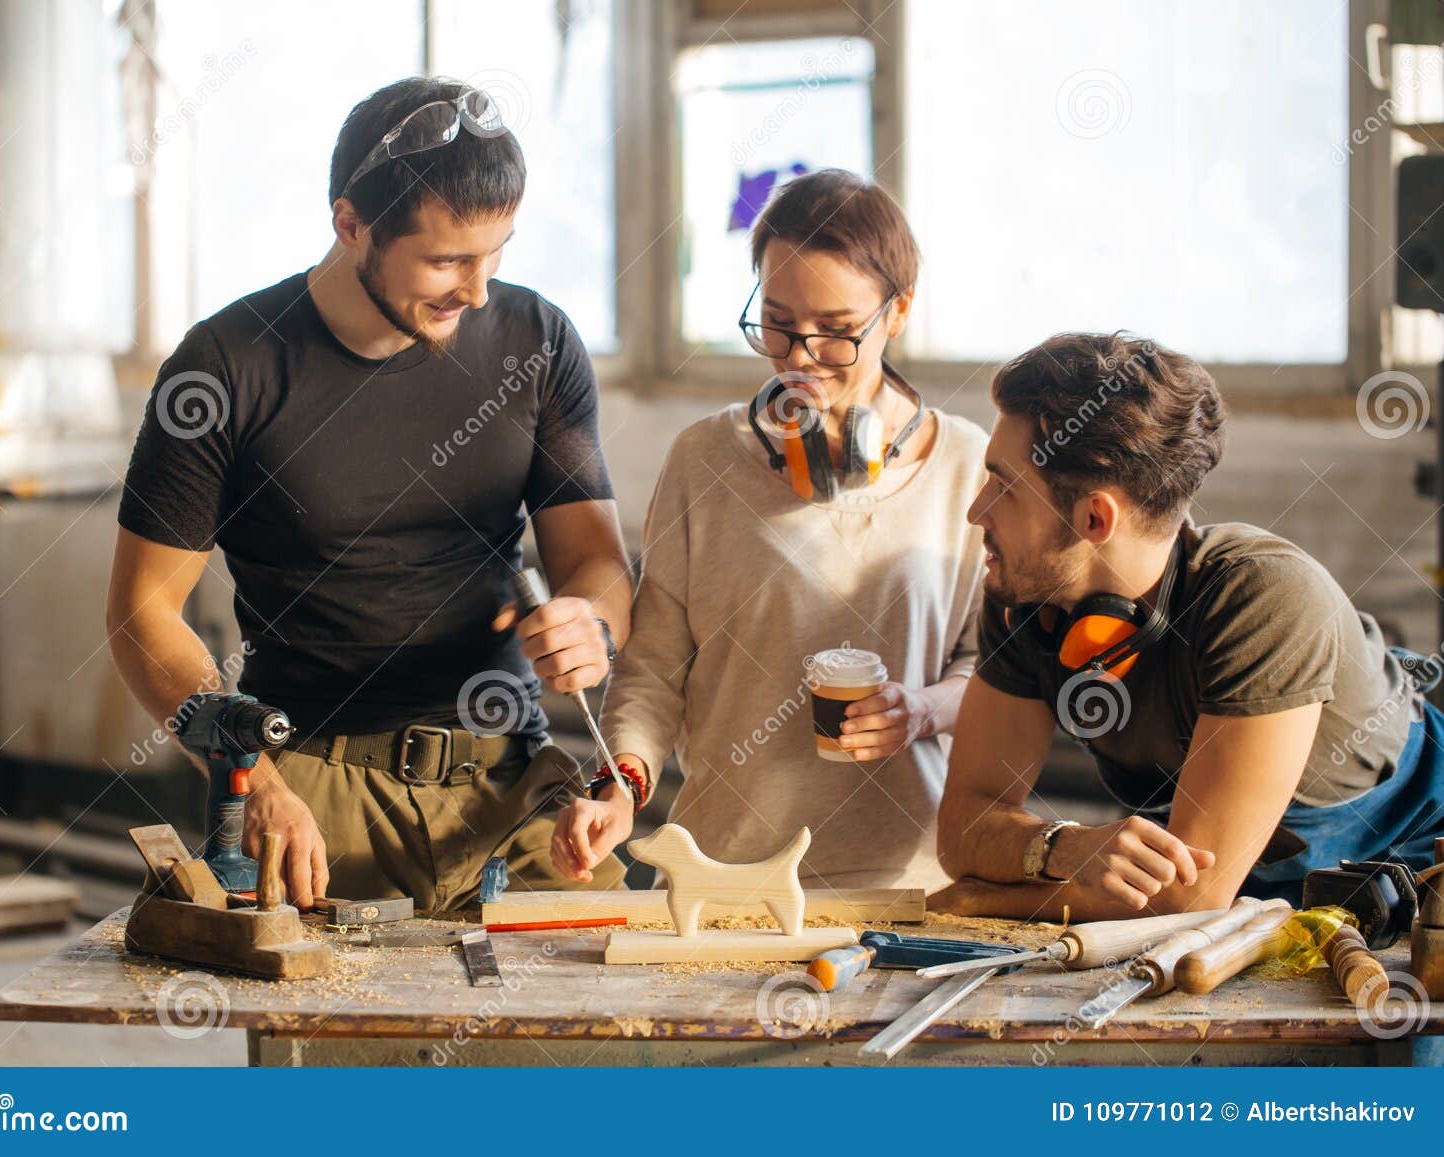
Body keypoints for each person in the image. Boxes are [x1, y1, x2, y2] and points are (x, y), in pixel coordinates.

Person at [107, 77, 632, 913]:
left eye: (496, 253)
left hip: (509, 777)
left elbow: (597, 565)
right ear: (351, 224)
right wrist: (252, 777)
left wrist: (592, 624)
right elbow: (142, 613)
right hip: (310, 788)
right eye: (447, 260)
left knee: (613, 979)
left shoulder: (538, 341)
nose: (477, 291)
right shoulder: (226, 366)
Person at [549, 170, 989, 890]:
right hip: (724, 875)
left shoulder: (968, 464)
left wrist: (920, 711)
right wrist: (619, 787)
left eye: (837, 332)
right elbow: (653, 669)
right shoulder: (703, 458)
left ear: (899, 311)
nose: (799, 358)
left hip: (909, 886)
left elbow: (992, 668)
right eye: (778, 323)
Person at [935, 331, 1444, 918]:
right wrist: (1060, 846)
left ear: (1095, 518)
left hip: (1413, 850)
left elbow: (1187, 896)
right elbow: (961, 831)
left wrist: (985, 899)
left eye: (1004, 488)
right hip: (1250, 890)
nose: (976, 511)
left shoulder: (1263, 597)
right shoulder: (1025, 592)